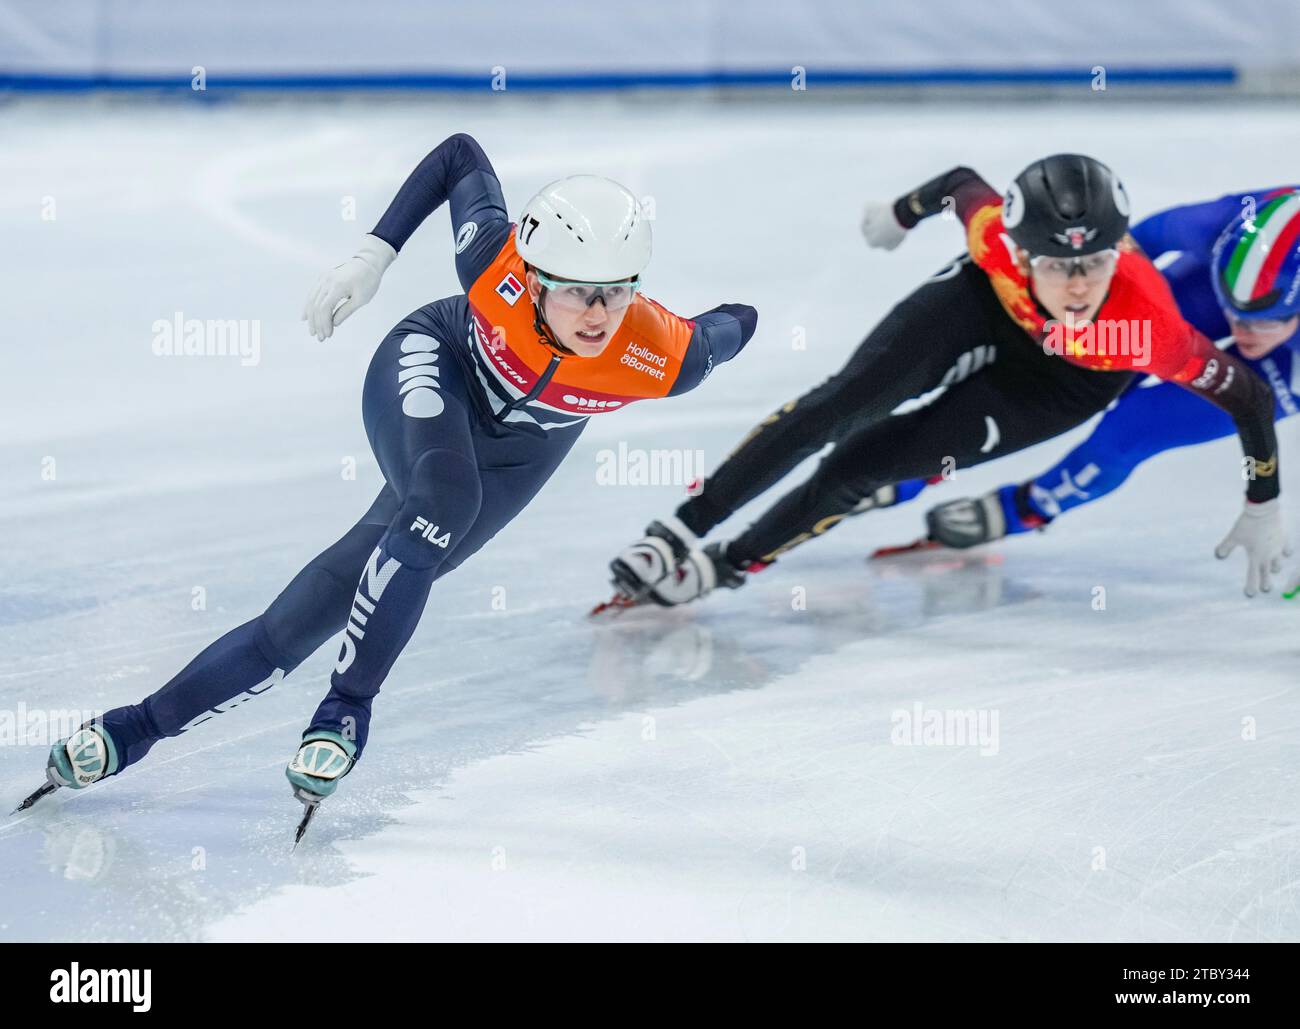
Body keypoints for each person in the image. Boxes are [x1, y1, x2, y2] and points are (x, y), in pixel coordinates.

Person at [28, 133, 756, 820]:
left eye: (615, 291)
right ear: (531, 278)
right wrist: (374, 255)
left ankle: (131, 730)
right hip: (434, 366)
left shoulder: (663, 355)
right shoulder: (492, 262)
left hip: (519, 455)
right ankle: (347, 709)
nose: (597, 314)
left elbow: (736, 322)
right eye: (574, 291)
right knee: (445, 498)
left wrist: (733, 319)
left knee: (325, 602)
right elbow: (461, 155)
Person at [607, 154, 1287, 610]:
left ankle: (724, 565)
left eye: (1096, 264)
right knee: (839, 407)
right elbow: (959, 182)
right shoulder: (993, 237)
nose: (1077, 287)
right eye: (1055, 265)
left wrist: (1263, 502)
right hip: (984, 305)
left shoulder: (1151, 327)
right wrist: (900, 215)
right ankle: (677, 531)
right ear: (1020, 250)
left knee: (864, 468)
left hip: (1067, 383)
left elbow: (1249, 397)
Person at [908, 187, 1300, 597]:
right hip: (1212, 282)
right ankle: (930, 456)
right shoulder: (1213, 226)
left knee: (1135, 429)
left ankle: (1024, 508)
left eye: (1260, 323)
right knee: (1086, 369)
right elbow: (1128, 252)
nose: (1240, 330)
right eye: (1232, 313)